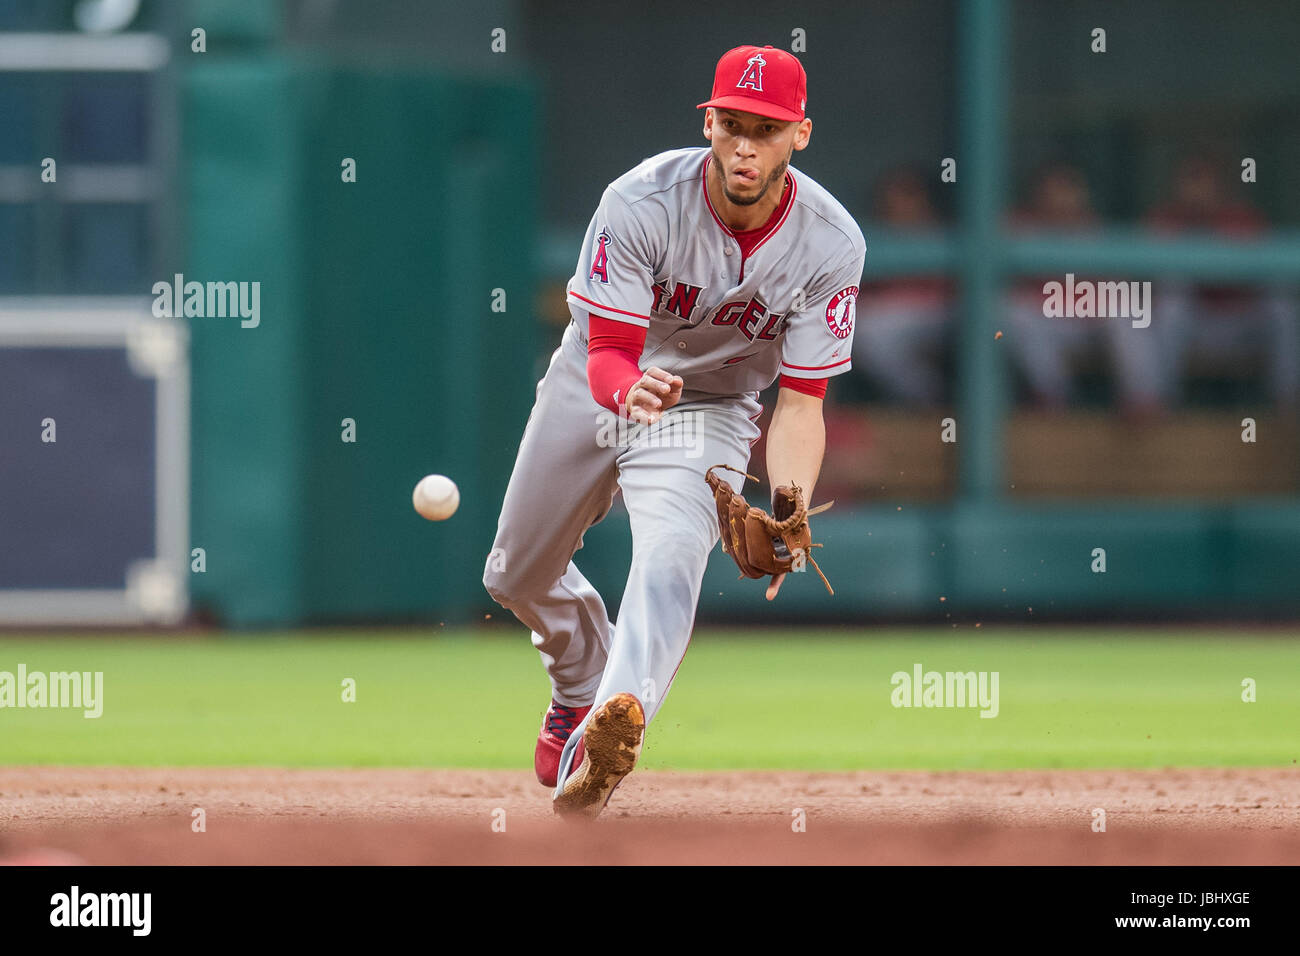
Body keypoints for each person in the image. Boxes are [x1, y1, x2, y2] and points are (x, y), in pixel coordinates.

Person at [482, 45, 865, 818]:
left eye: (767, 128)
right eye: (730, 124)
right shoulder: (641, 200)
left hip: (710, 408)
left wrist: (790, 504)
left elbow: (801, 402)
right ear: (710, 122)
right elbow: (609, 356)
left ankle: (610, 726)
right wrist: (627, 389)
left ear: (802, 135)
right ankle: (581, 682)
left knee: (667, 559)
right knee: (515, 574)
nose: (745, 145)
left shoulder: (831, 242)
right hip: (599, 382)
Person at [1145, 156, 1298, 408]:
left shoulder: (1242, 218)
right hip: (1195, 325)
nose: (1197, 191)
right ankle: (1163, 403)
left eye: (1204, 182)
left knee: (1281, 303)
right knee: (1171, 301)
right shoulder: (1165, 219)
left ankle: (1288, 402)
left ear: (1219, 187)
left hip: (1240, 322)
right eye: (1191, 182)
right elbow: (1150, 274)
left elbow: (1261, 271)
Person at [852, 166, 954, 405]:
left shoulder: (942, 234)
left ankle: (934, 399)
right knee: (867, 329)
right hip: (892, 324)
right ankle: (929, 399)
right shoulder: (869, 235)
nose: (898, 202)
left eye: (907, 194)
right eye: (892, 195)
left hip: (943, 316)